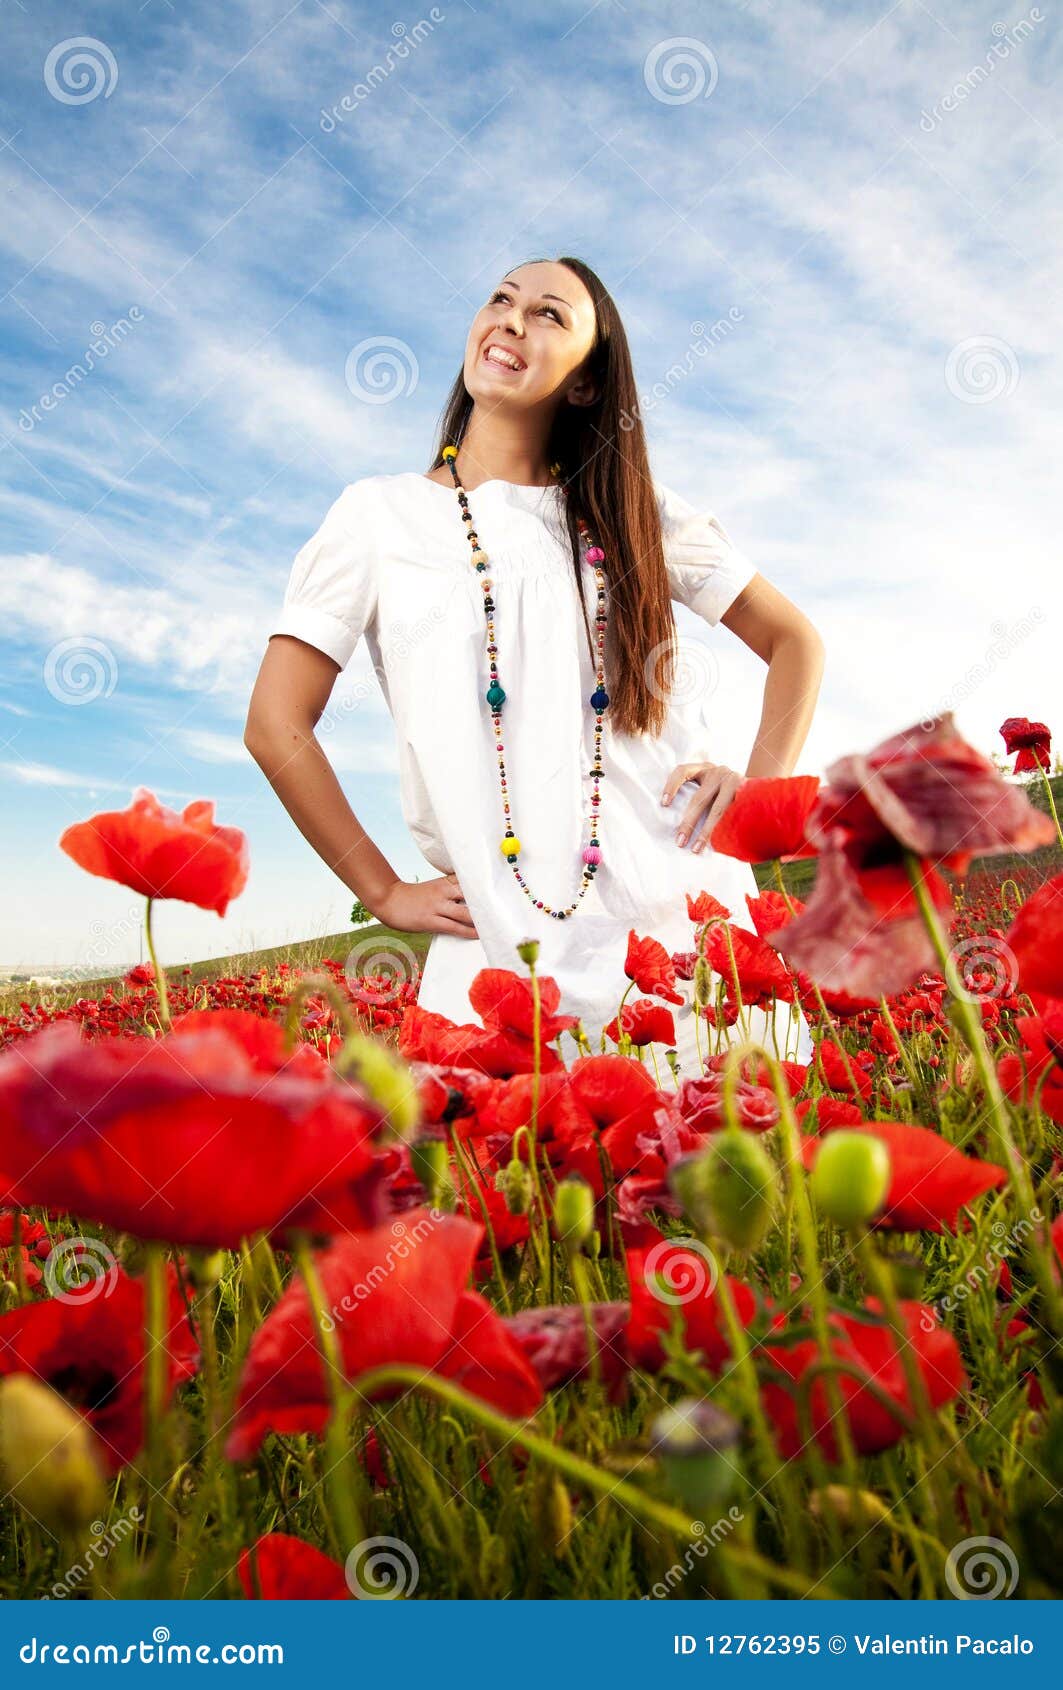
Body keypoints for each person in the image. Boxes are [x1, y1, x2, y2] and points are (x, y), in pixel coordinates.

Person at [244, 256, 824, 1073]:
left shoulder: (635, 512)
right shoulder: (377, 516)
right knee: (503, 1179)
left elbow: (794, 641)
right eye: (501, 300)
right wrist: (381, 891)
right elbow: (275, 726)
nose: (513, 320)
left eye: (550, 314)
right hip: (497, 946)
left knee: (721, 1180)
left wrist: (760, 796)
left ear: (586, 383)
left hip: (681, 922)